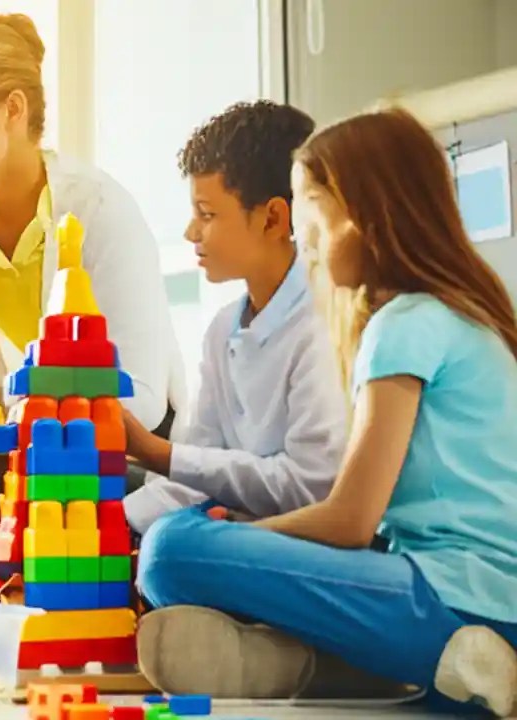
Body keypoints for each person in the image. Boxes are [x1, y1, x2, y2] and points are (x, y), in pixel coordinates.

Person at [136, 108, 517, 716]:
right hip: (470, 595)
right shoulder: (457, 315)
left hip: (449, 595)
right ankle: (377, 668)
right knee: (189, 541)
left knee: (172, 549)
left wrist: (236, 540)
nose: (306, 239)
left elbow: (351, 520)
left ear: (373, 216)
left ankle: (435, 656)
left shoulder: (403, 326)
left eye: (315, 212)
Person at [0, 12, 185, 593]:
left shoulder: (99, 210)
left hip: (125, 450)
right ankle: (37, 586)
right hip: (33, 448)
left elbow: (140, 402)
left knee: (55, 513)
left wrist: (4, 408)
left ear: (12, 109)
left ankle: (94, 582)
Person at [121, 100, 348, 534]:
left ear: (273, 219)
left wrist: (156, 452)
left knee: (170, 549)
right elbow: (196, 474)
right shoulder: (223, 328)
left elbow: (313, 487)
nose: (192, 232)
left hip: (304, 540)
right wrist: (110, 527)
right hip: (240, 524)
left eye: (207, 214)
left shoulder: (324, 324)